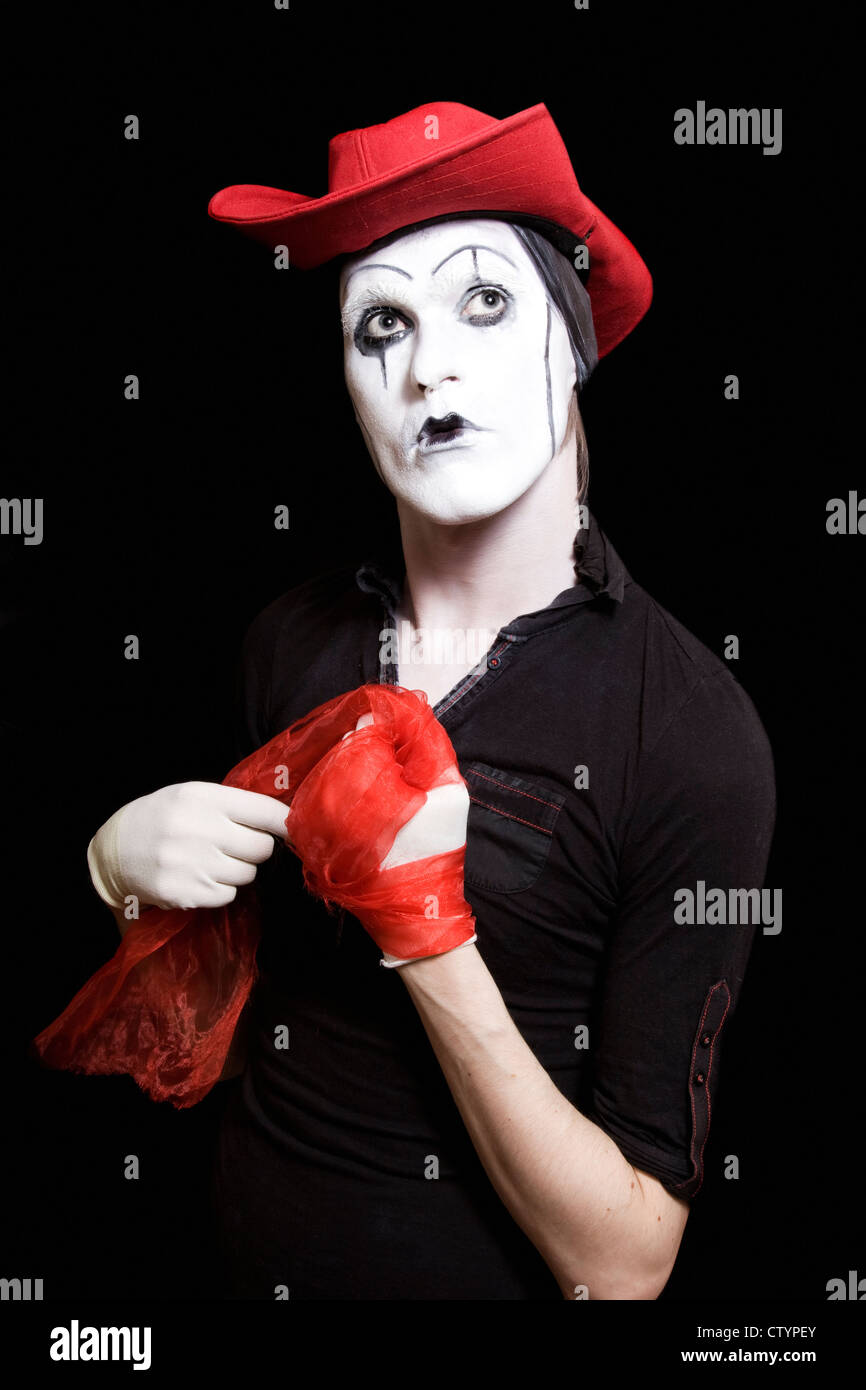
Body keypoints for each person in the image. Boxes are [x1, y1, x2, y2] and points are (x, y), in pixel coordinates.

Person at [83, 101, 776, 1300]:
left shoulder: (692, 735)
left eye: (484, 303)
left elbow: (620, 1270)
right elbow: (238, 1030)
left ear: (573, 344)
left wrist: (427, 932)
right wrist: (120, 881)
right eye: (379, 325)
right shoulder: (287, 639)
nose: (426, 365)